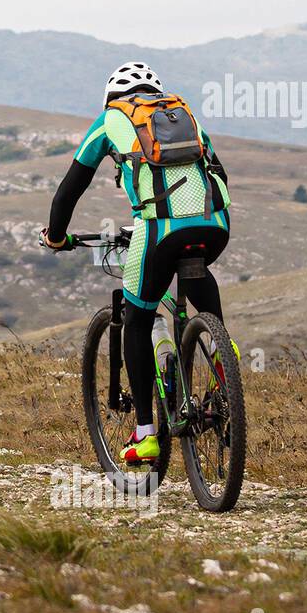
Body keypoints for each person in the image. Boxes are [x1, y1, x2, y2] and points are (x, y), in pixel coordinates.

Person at [40, 62, 234, 465]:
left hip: (158, 230)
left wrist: (56, 236)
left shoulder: (111, 119)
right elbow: (219, 173)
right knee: (194, 265)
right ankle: (221, 350)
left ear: (112, 96)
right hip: (214, 223)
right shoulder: (183, 114)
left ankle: (145, 433)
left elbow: (69, 190)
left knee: (136, 318)